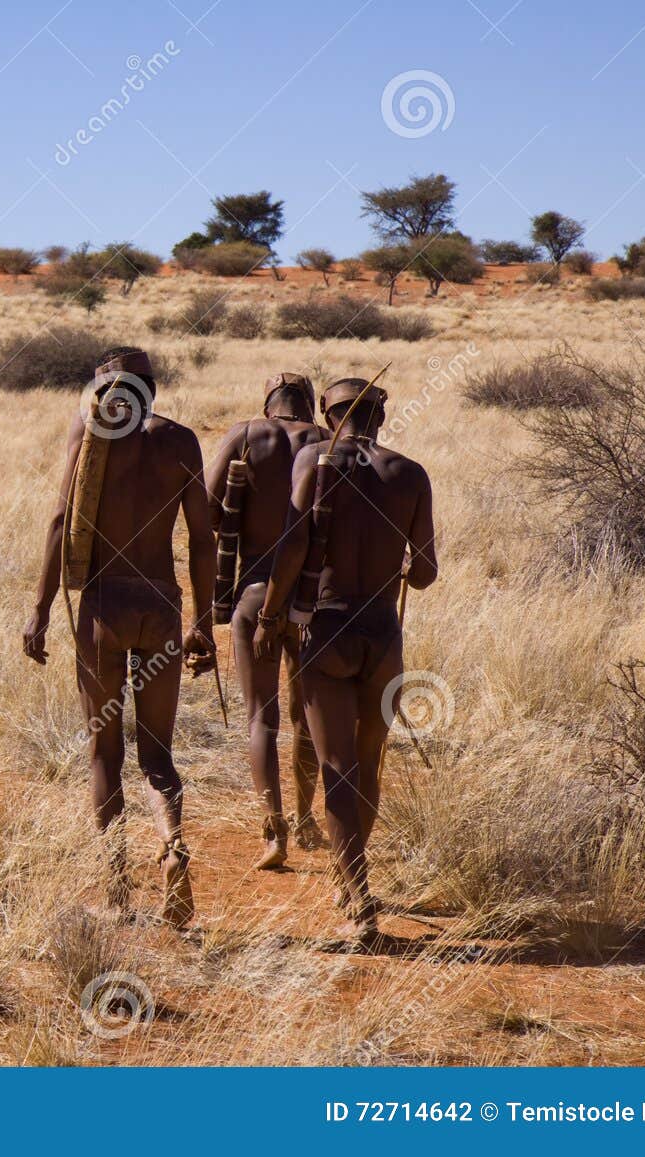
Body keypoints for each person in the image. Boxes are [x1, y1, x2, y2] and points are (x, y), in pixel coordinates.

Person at [23, 347, 217, 929]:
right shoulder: (181, 441)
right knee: (157, 753)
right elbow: (202, 538)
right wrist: (202, 622)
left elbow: (61, 521)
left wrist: (40, 610)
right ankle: (172, 846)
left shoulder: (91, 432)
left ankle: (116, 891)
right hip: (161, 606)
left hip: (103, 608)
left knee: (106, 753)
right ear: (151, 389)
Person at [254, 377, 437, 944]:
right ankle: (348, 876)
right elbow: (425, 572)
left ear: (330, 417)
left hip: (326, 632)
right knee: (368, 762)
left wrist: (269, 617)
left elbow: (293, 547)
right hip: (383, 637)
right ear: (380, 417)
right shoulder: (410, 474)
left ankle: (358, 902)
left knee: (337, 767)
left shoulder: (314, 461)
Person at [207, 373, 327, 870]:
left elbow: (208, 511)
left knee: (262, 716)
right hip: (311, 600)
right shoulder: (325, 442)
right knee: (308, 714)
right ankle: (305, 818)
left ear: (268, 403)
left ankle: (273, 830)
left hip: (255, 593)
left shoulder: (245, 435)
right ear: (309, 404)